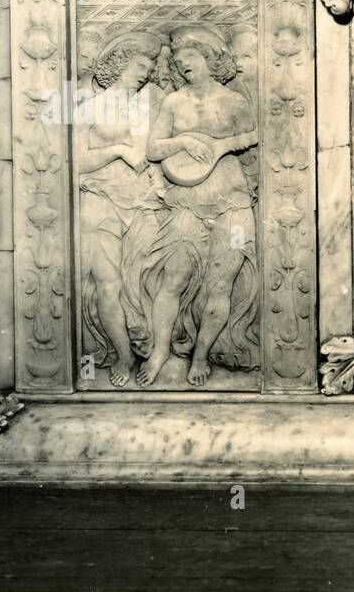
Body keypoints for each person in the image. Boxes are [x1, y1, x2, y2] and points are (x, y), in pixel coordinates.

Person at [137, 26, 260, 387]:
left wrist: (222, 146)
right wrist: (185, 141)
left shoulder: (234, 101)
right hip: (186, 203)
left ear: (209, 57)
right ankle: (160, 350)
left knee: (221, 283)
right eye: (178, 59)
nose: (182, 62)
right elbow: (153, 149)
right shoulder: (174, 103)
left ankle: (201, 356)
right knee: (173, 277)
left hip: (233, 202)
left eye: (190, 55)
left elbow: (256, 135)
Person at [76, 31, 165, 387]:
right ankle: (124, 356)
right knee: (109, 286)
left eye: (149, 67)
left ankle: (156, 347)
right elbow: (75, 161)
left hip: (142, 202)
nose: (145, 72)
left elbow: (153, 154)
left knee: (151, 279)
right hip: (100, 203)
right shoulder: (89, 108)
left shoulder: (145, 106)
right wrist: (117, 151)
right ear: (118, 65)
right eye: (139, 65)